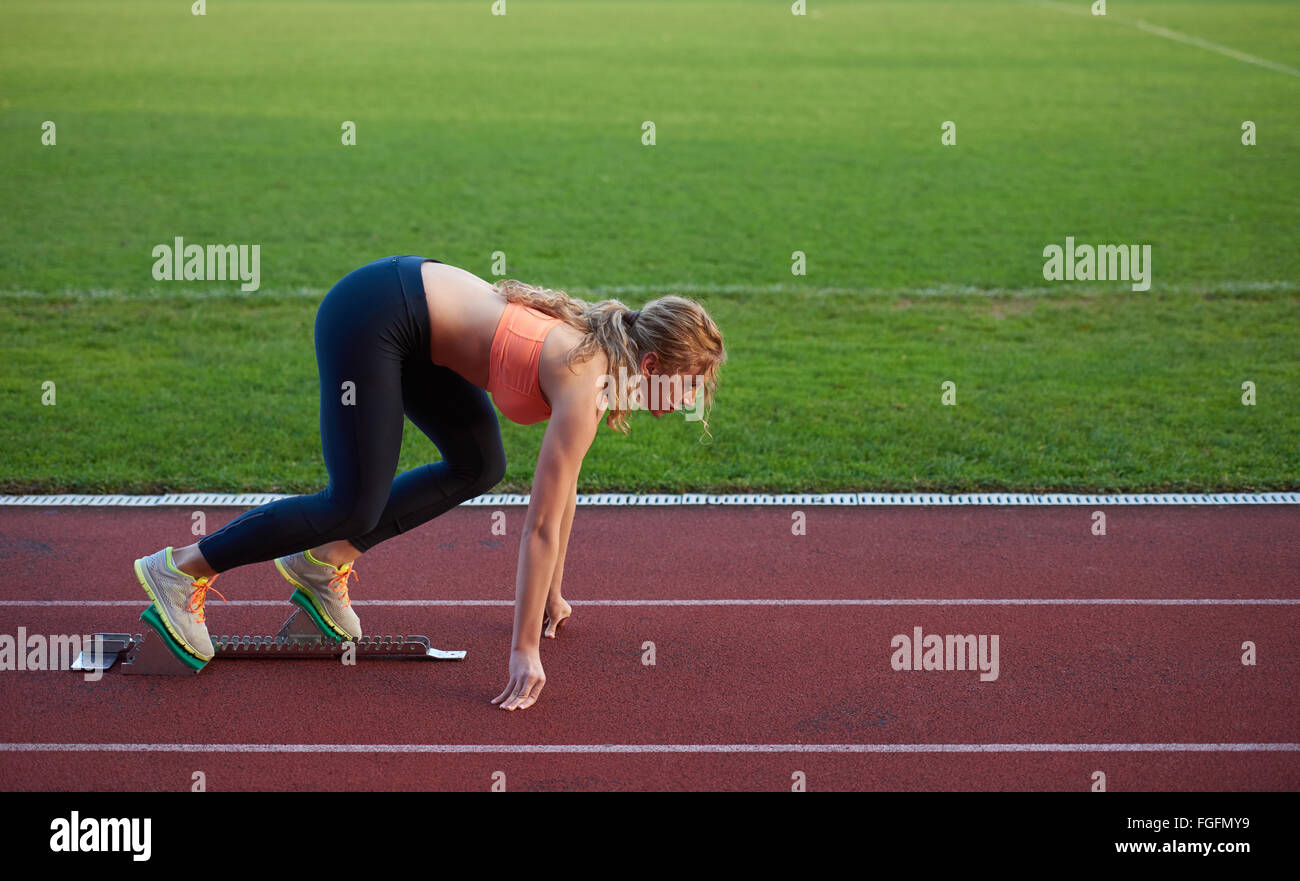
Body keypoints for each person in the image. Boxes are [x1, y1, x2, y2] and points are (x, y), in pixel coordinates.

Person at [132, 255, 726, 710]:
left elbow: (561, 495)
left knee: (479, 463)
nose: (692, 400)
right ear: (650, 367)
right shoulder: (586, 380)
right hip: (375, 313)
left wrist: (553, 592)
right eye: (691, 384)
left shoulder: (600, 371)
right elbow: (540, 526)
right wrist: (523, 650)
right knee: (351, 503)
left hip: (415, 326)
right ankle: (182, 568)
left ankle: (321, 564)